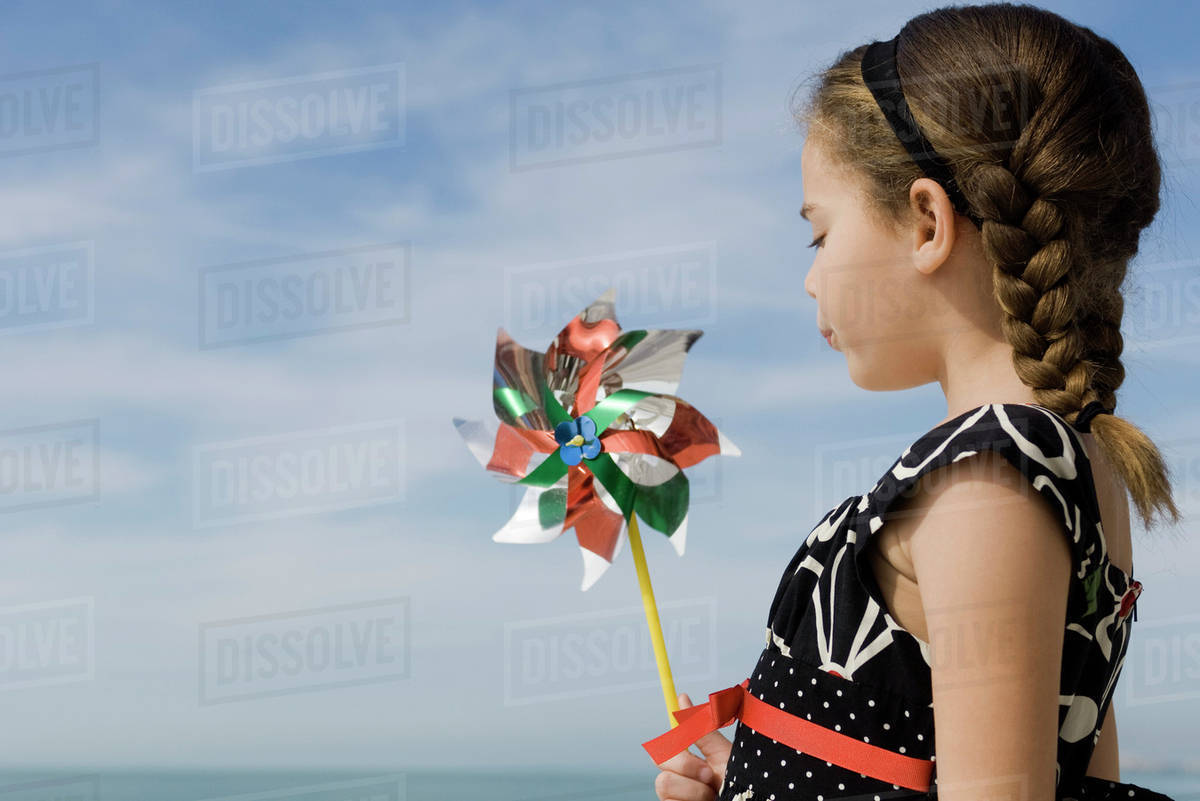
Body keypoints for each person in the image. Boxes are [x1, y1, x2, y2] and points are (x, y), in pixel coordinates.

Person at [649, 3, 1183, 800]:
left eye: (819, 236)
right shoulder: (1067, 462)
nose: (810, 275)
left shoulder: (984, 482)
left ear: (928, 221)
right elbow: (1078, 778)